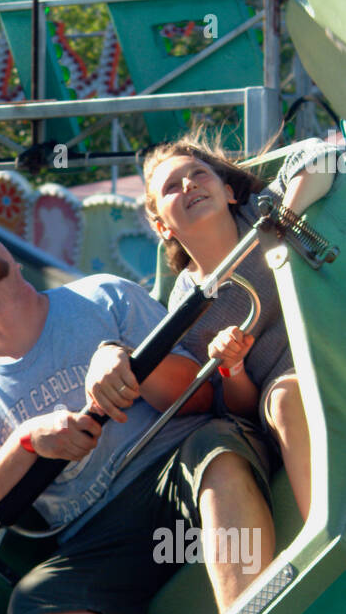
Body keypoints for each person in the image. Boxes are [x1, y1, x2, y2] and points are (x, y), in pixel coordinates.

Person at [0, 225, 275, 614]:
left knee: (216, 449)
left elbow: (200, 398)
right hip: (97, 534)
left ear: (17, 258)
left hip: (176, 467)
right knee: (32, 604)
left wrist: (127, 363)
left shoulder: (101, 297)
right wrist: (28, 441)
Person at [143, 130, 338, 522]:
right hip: (285, 379)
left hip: (332, 334)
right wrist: (231, 367)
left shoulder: (261, 214)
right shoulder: (186, 306)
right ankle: (330, 531)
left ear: (229, 192)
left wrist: (285, 217)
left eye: (199, 174)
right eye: (171, 187)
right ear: (163, 226)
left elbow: (323, 156)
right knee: (285, 401)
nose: (189, 185)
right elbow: (240, 409)